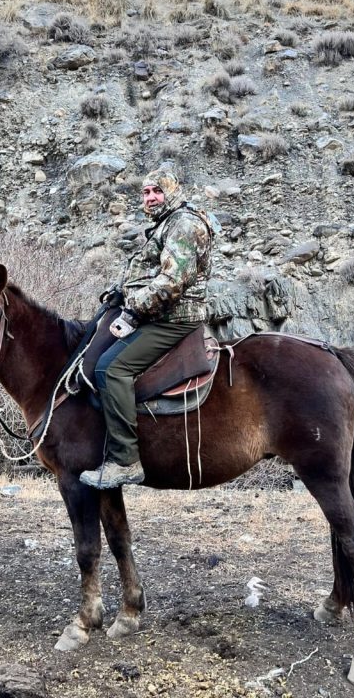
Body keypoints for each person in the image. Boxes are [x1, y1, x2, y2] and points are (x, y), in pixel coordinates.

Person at [80, 168, 214, 489]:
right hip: (158, 313)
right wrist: (119, 291)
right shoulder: (164, 224)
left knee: (111, 369)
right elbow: (145, 272)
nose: (151, 197)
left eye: (157, 191)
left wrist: (132, 309)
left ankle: (125, 461)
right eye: (146, 192)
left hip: (174, 317)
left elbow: (171, 283)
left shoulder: (184, 225)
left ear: (171, 192)